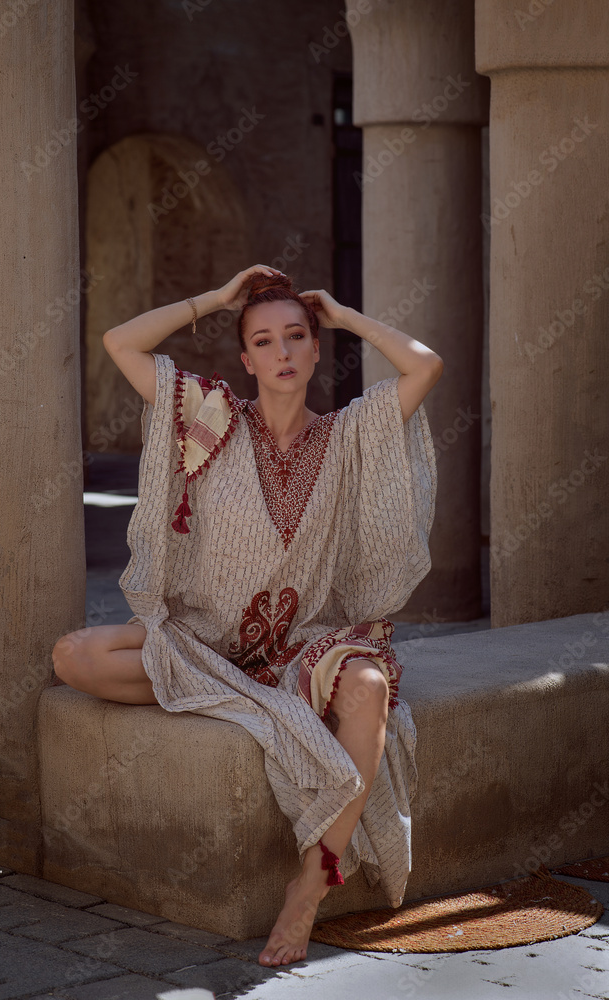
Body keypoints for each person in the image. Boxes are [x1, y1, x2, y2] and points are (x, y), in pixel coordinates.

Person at [52, 262, 442, 968]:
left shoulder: (349, 436)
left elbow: (425, 367)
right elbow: (120, 343)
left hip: (302, 651)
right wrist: (215, 298)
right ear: (245, 357)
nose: (283, 353)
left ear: (317, 349)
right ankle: (256, 703)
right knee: (74, 657)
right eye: (264, 340)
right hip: (207, 642)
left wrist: (347, 315)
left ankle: (310, 887)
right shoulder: (212, 416)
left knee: (370, 689)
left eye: (298, 337)